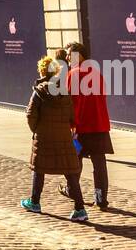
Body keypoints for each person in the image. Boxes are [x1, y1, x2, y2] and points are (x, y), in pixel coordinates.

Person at [20, 55, 86, 221]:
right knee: (70, 172)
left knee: (39, 168)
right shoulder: (64, 91)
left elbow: (30, 115)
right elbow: (72, 116)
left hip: (44, 135)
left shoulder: (39, 91)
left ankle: (34, 202)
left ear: (42, 70)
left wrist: (36, 130)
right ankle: (80, 208)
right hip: (63, 136)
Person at [64, 41, 113, 210]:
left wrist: (70, 124)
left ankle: (72, 190)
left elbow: (70, 102)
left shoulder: (73, 74)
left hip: (81, 127)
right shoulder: (97, 73)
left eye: (70, 54)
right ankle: (101, 198)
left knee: (74, 162)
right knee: (99, 164)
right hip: (99, 125)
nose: (68, 58)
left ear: (80, 55)